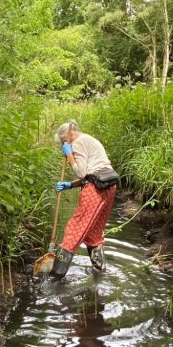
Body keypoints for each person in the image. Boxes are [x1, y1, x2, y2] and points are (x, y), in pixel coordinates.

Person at [51, 119, 119, 279]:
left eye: (64, 142)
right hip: (109, 186)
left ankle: (56, 276)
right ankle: (100, 273)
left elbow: (82, 172)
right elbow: (93, 172)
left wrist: (69, 155)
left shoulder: (78, 142)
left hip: (95, 189)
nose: (64, 145)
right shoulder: (90, 139)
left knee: (74, 228)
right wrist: (71, 185)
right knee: (94, 234)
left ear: (71, 134)